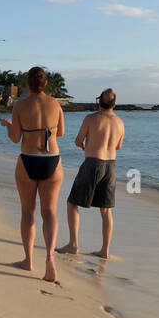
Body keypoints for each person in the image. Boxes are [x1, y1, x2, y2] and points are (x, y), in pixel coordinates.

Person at [0, 66, 65, 281]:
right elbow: (61, 132)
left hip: (28, 160)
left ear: (27, 84)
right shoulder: (55, 104)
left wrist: (8, 126)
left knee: (28, 212)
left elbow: (15, 138)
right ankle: (50, 258)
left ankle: (28, 260)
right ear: (45, 83)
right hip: (51, 161)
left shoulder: (20, 105)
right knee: (50, 213)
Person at [58, 89, 125, 259]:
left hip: (93, 163)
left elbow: (78, 140)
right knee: (106, 210)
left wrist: (85, 146)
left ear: (99, 102)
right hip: (111, 165)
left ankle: (73, 244)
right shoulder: (120, 123)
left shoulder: (91, 118)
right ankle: (105, 250)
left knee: (72, 203)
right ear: (114, 104)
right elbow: (118, 146)